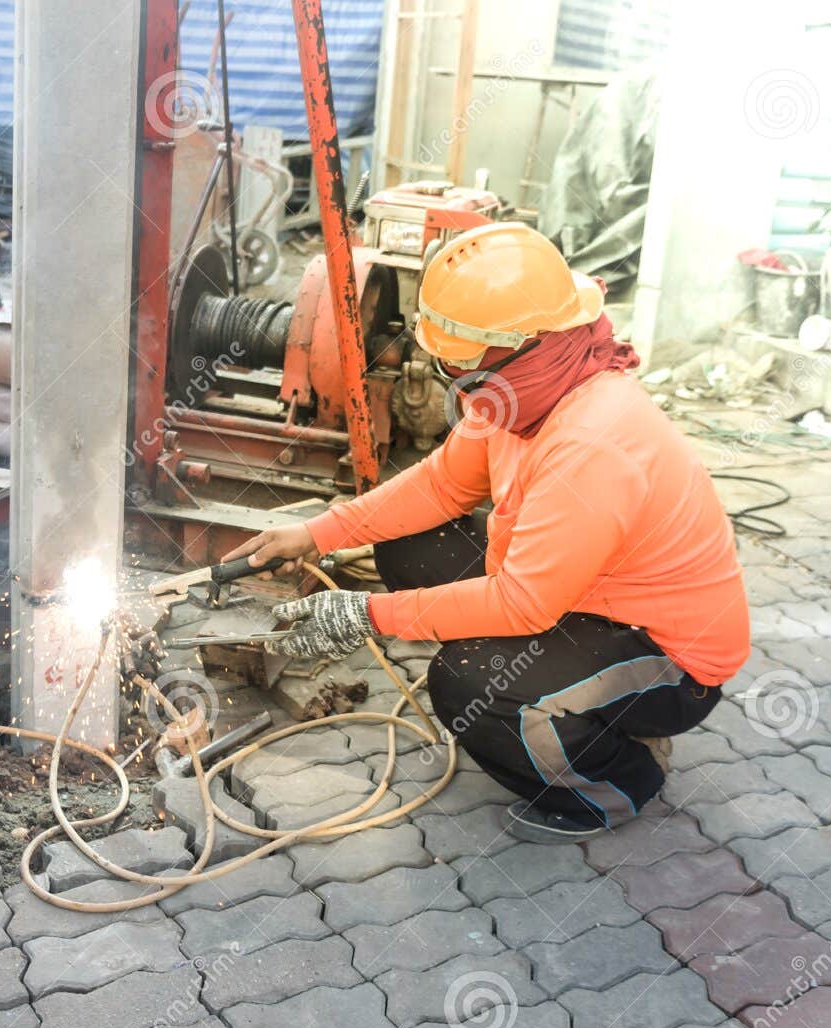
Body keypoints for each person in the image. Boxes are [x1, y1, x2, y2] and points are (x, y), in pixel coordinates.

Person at [224, 222, 750, 842]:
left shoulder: (591, 440)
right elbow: (440, 486)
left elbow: (523, 603)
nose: (448, 371)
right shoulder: (524, 390)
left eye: (462, 356)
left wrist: (366, 614)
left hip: (667, 657)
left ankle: (619, 781)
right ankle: (572, 705)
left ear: (522, 344)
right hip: (578, 600)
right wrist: (315, 532)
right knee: (410, 542)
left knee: (468, 681)